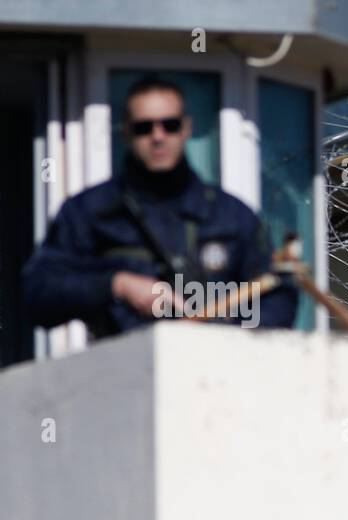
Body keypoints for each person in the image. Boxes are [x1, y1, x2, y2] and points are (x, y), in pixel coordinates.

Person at [22, 74, 298, 338]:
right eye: (144, 127)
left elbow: (278, 293)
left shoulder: (231, 214)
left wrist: (230, 336)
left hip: (217, 375)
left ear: (186, 128)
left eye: (170, 125)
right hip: (121, 374)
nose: (158, 136)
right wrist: (117, 285)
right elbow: (38, 294)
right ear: (128, 132)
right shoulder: (88, 211)